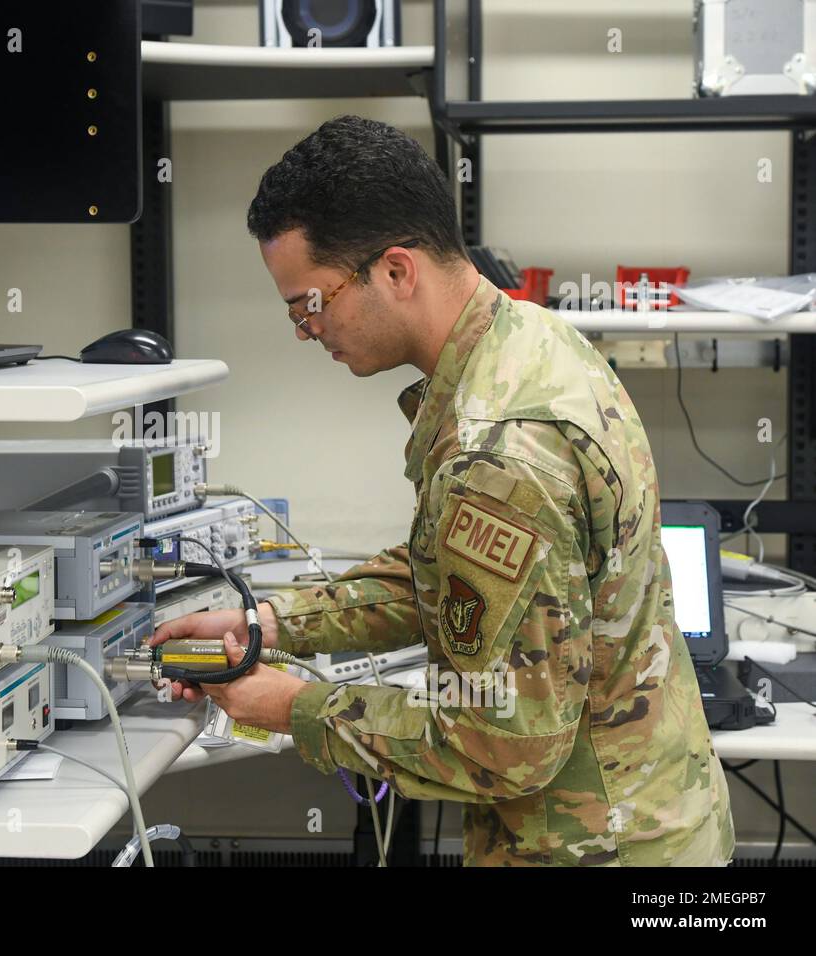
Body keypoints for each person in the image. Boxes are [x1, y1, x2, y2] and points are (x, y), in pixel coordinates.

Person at [151, 115, 734, 866]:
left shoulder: (498, 453)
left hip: (595, 847)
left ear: (395, 271)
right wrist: (268, 623)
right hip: (653, 817)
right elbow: (444, 579)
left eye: (311, 303)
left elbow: (505, 745)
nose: (305, 330)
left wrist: (298, 709)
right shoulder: (530, 341)